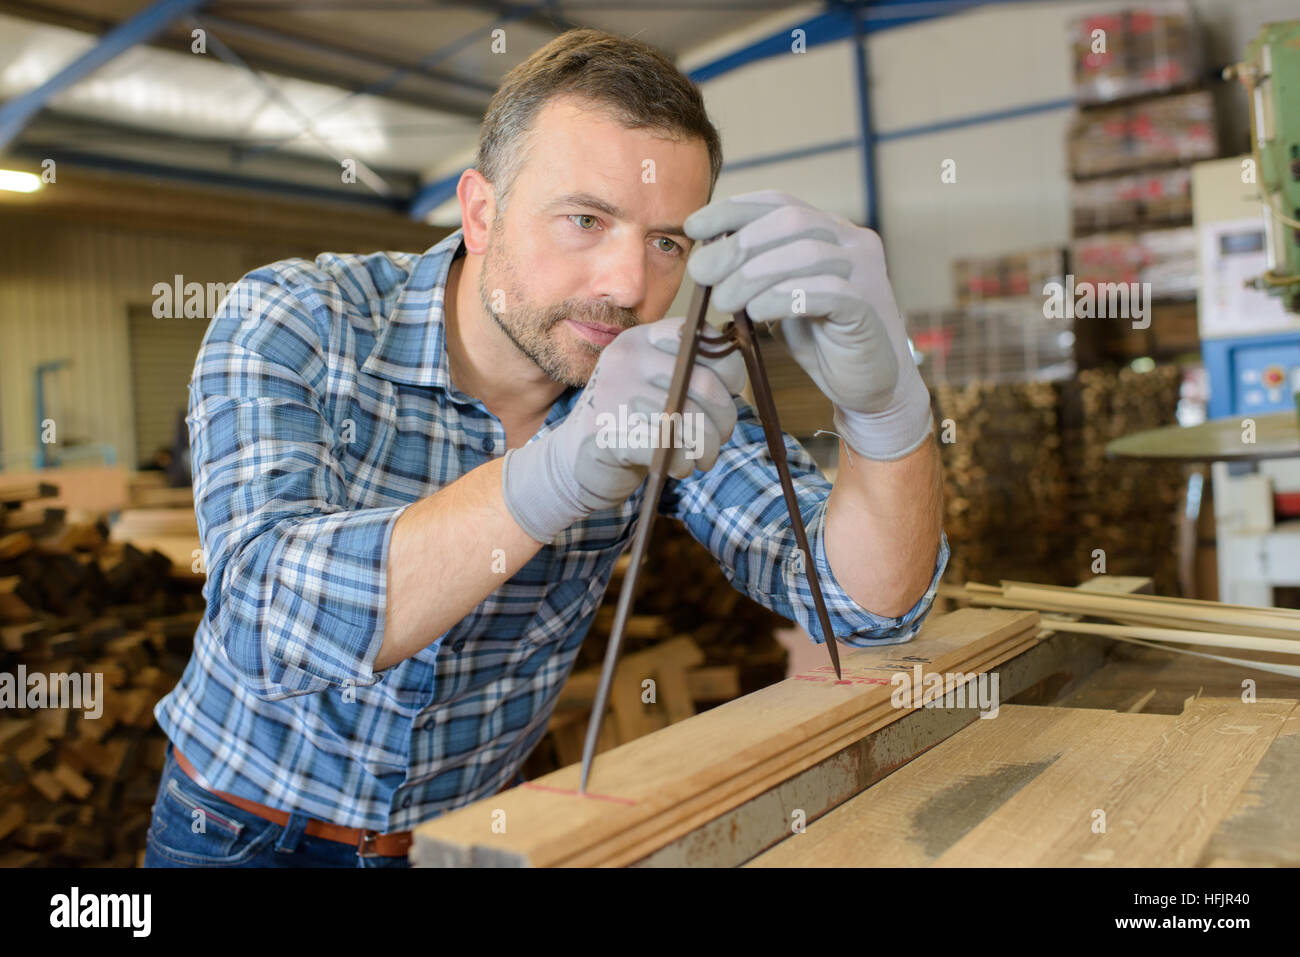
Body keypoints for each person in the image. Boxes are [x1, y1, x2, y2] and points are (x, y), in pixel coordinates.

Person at [144, 28, 947, 869]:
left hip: (468, 843)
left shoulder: (654, 384)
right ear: (481, 212)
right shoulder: (298, 319)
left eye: (667, 241)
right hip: (236, 832)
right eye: (585, 220)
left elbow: (863, 605)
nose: (628, 285)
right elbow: (267, 623)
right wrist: (557, 472)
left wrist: (887, 413)